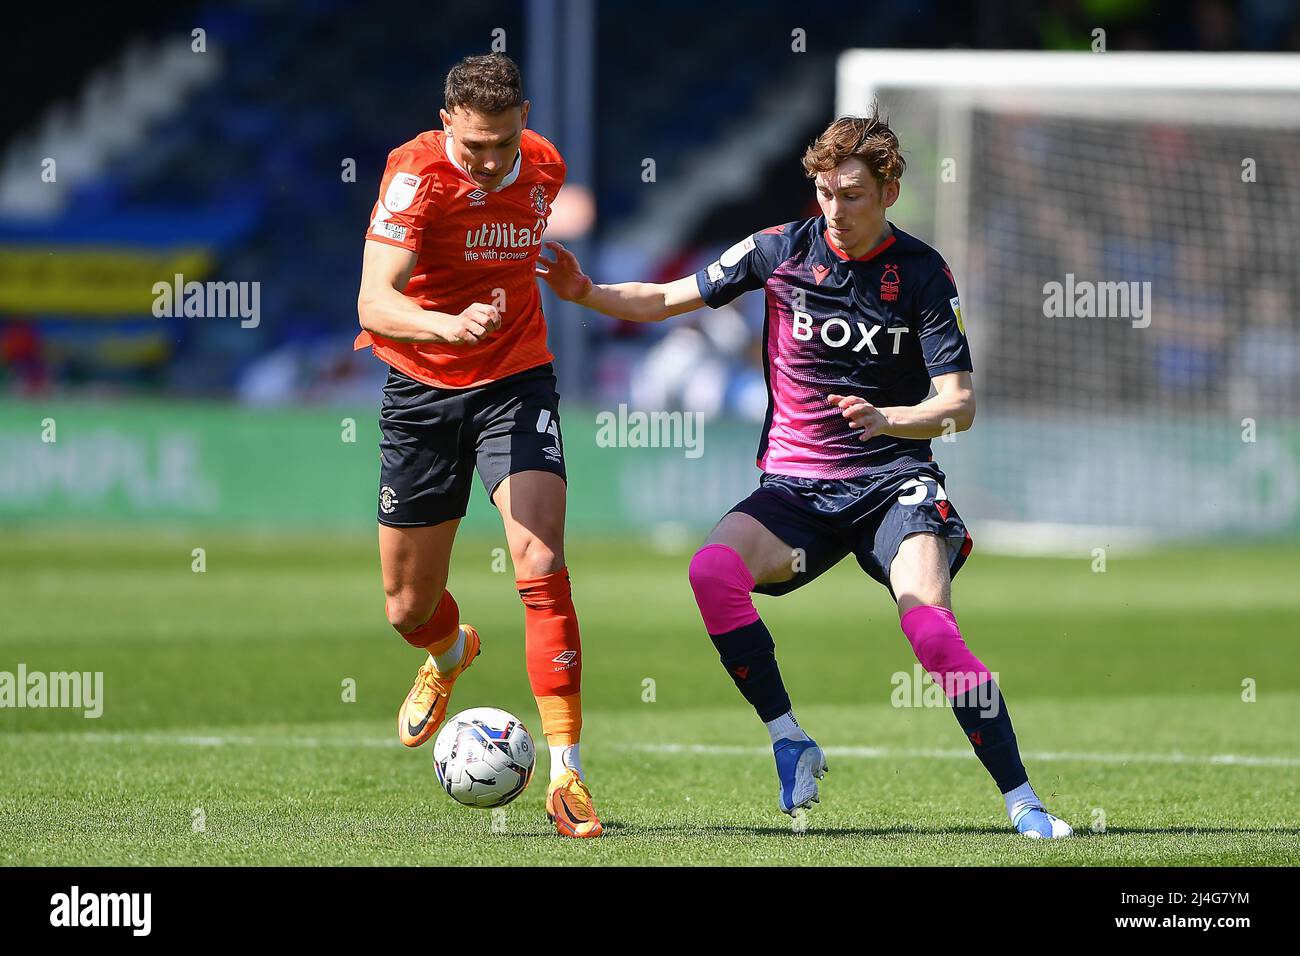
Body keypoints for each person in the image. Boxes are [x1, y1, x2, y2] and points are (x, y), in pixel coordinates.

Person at [537, 110, 1072, 838]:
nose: (835, 210)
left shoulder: (921, 273)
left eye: (852, 194)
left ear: (889, 189)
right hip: (796, 490)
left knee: (931, 632)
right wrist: (585, 293)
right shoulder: (778, 251)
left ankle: (1024, 801)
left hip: (894, 486)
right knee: (710, 574)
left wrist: (889, 420)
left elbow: (959, 406)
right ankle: (789, 738)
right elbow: (667, 298)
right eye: (825, 192)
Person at [355, 53, 601, 838]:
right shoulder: (413, 176)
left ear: (522, 118)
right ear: (446, 121)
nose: (491, 161)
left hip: (516, 381)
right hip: (422, 390)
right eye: (475, 147)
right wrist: (446, 326)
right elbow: (373, 301)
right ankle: (451, 651)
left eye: (504, 142)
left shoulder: (545, 167)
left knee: (539, 560)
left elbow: (518, 239)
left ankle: (569, 775)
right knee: (406, 608)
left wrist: (548, 273)